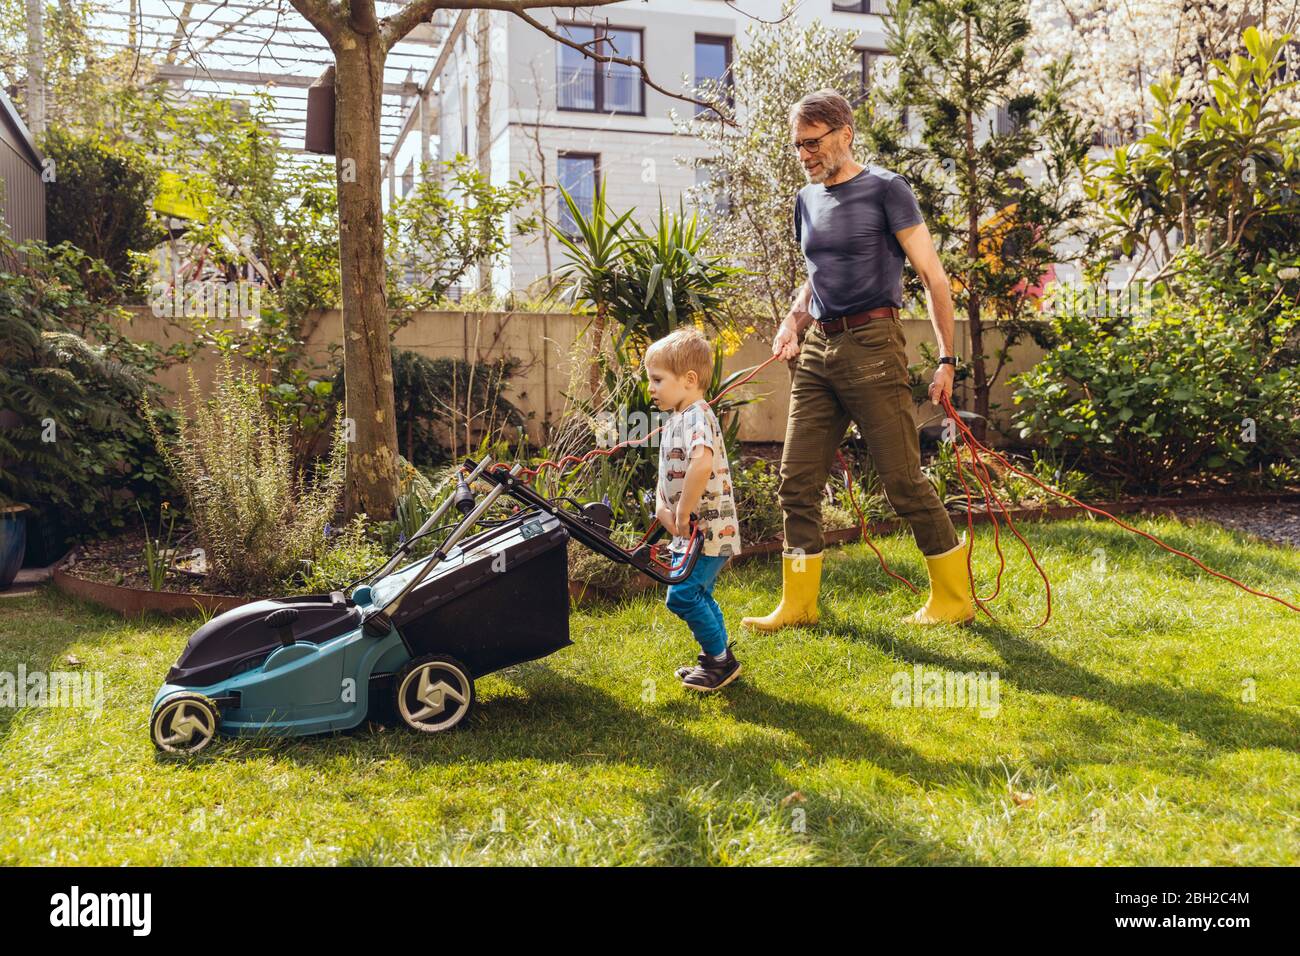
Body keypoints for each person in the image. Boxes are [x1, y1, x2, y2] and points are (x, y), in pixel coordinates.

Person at [742, 89, 976, 634]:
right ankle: (798, 603)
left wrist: (946, 359)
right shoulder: (806, 200)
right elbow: (814, 277)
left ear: (845, 133)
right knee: (795, 481)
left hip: (873, 346)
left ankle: (953, 597)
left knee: (902, 480)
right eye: (797, 145)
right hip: (819, 352)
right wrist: (791, 322)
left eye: (813, 142)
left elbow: (934, 278)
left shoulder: (886, 190)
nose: (805, 154)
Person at [644, 326, 743, 691]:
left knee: (683, 596)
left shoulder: (697, 417)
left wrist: (683, 513)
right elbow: (669, 471)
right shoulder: (678, 419)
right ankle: (719, 659)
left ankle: (718, 661)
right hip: (690, 533)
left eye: (657, 379)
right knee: (697, 594)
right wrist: (661, 507)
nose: (651, 388)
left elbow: (701, 464)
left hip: (707, 531)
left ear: (688, 380)